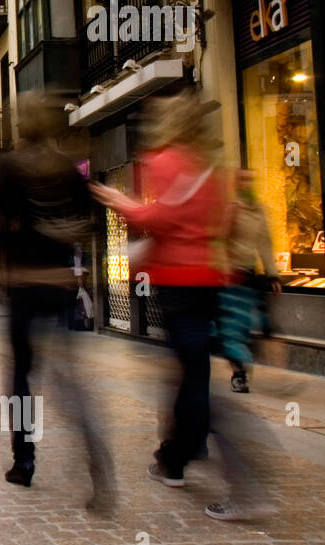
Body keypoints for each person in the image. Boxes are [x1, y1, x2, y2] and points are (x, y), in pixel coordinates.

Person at [93, 94, 269, 520]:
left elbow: (161, 217)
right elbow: (223, 223)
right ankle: (173, 458)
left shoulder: (164, 161)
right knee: (191, 373)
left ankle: (239, 482)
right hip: (209, 279)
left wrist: (120, 203)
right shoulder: (213, 168)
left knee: (194, 381)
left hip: (178, 282)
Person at [0, 93, 113, 509]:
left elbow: (6, 228)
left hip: (25, 288)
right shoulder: (67, 171)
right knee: (69, 381)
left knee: (22, 379)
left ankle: (23, 461)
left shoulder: (11, 169)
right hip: (61, 287)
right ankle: (96, 458)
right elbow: (92, 225)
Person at [217, 169, 281, 393]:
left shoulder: (259, 211)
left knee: (247, 325)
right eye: (243, 179)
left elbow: (265, 243)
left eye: (251, 179)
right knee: (232, 328)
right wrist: (224, 272)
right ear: (236, 184)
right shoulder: (232, 209)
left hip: (250, 274)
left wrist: (273, 274)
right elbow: (221, 241)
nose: (247, 183)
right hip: (232, 276)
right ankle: (239, 373)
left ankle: (243, 362)